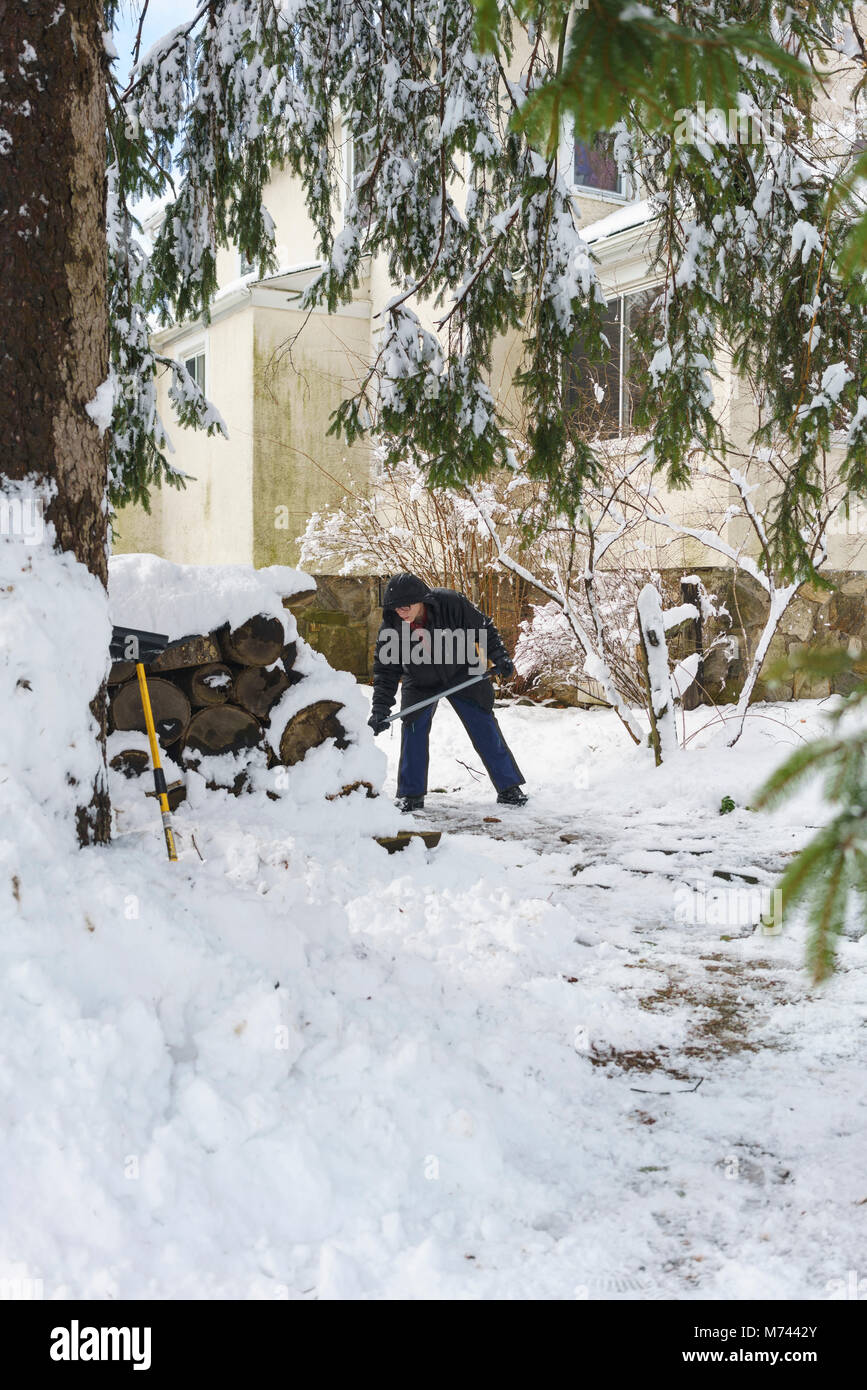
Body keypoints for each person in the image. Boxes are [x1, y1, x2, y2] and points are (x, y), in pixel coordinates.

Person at [367, 572, 528, 813]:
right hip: (420, 680)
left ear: (421, 600)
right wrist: (380, 709)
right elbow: (385, 671)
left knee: (483, 725)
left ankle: (509, 788)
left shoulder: (450, 603)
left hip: (462, 671)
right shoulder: (392, 625)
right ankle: (411, 794)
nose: (401, 612)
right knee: (413, 730)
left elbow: (483, 628)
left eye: (406, 606)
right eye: (396, 607)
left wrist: (500, 657)